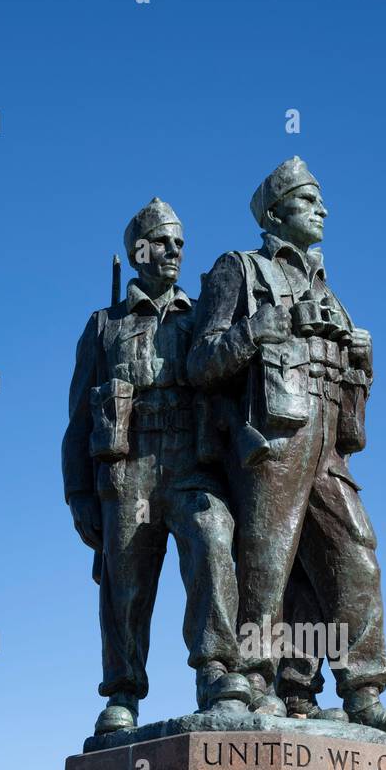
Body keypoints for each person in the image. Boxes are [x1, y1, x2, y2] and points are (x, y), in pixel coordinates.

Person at [187, 158, 386, 738]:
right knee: (268, 563)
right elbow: (201, 363)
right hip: (275, 433)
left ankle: (363, 692)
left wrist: (362, 362)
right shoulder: (239, 270)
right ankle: (252, 681)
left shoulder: (328, 288)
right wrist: (260, 326)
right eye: (308, 200)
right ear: (275, 212)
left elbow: (347, 384)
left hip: (328, 441)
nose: (322, 210)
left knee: (354, 553)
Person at [62, 198, 250, 735]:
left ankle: (217, 672)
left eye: (180, 243)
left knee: (213, 539)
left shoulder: (200, 318)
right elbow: (77, 419)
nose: (175, 251)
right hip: (129, 469)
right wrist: (78, 493)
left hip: (191, 462)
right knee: (125, 581)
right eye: (163, 241)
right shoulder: (103, 326)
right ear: (137, 250)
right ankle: (122, 693)